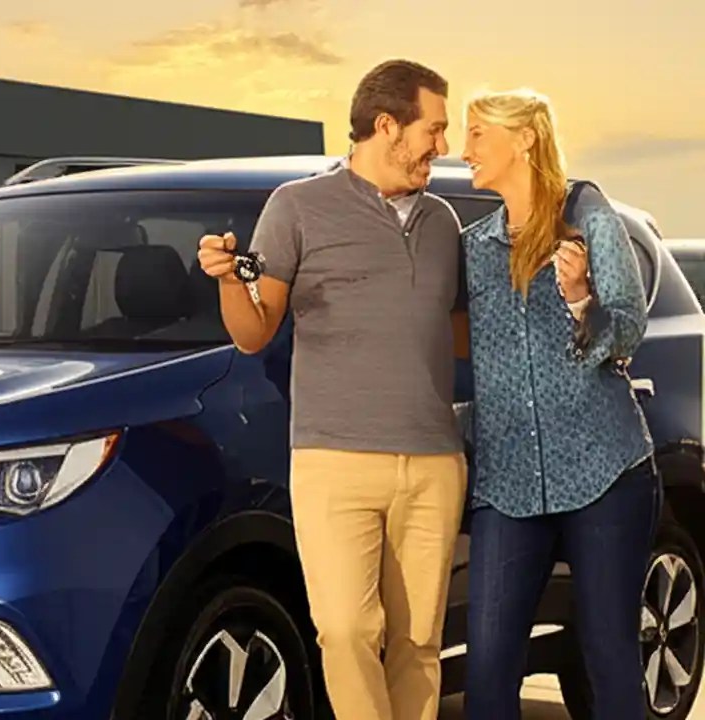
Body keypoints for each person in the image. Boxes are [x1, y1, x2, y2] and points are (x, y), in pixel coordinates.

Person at [198, 59, 469, 720]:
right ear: (387, 125)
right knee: (346, 631)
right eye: (432, 129)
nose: (443, 145)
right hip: (334, 462)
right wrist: (230, 282)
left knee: (419, 642)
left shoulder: (442, 224)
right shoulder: (296, 208)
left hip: (434, 463)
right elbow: (255, 333)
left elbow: (463, 336)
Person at [457, 87, 660, 720]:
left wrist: (579, 298)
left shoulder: (588, 217)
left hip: (606, 472)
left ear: (524, 139)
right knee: (488, 672)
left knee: (607, 661)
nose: (464, 151)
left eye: (477, 135)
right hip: (509, 485)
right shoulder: (473, 247)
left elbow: (626, 328)